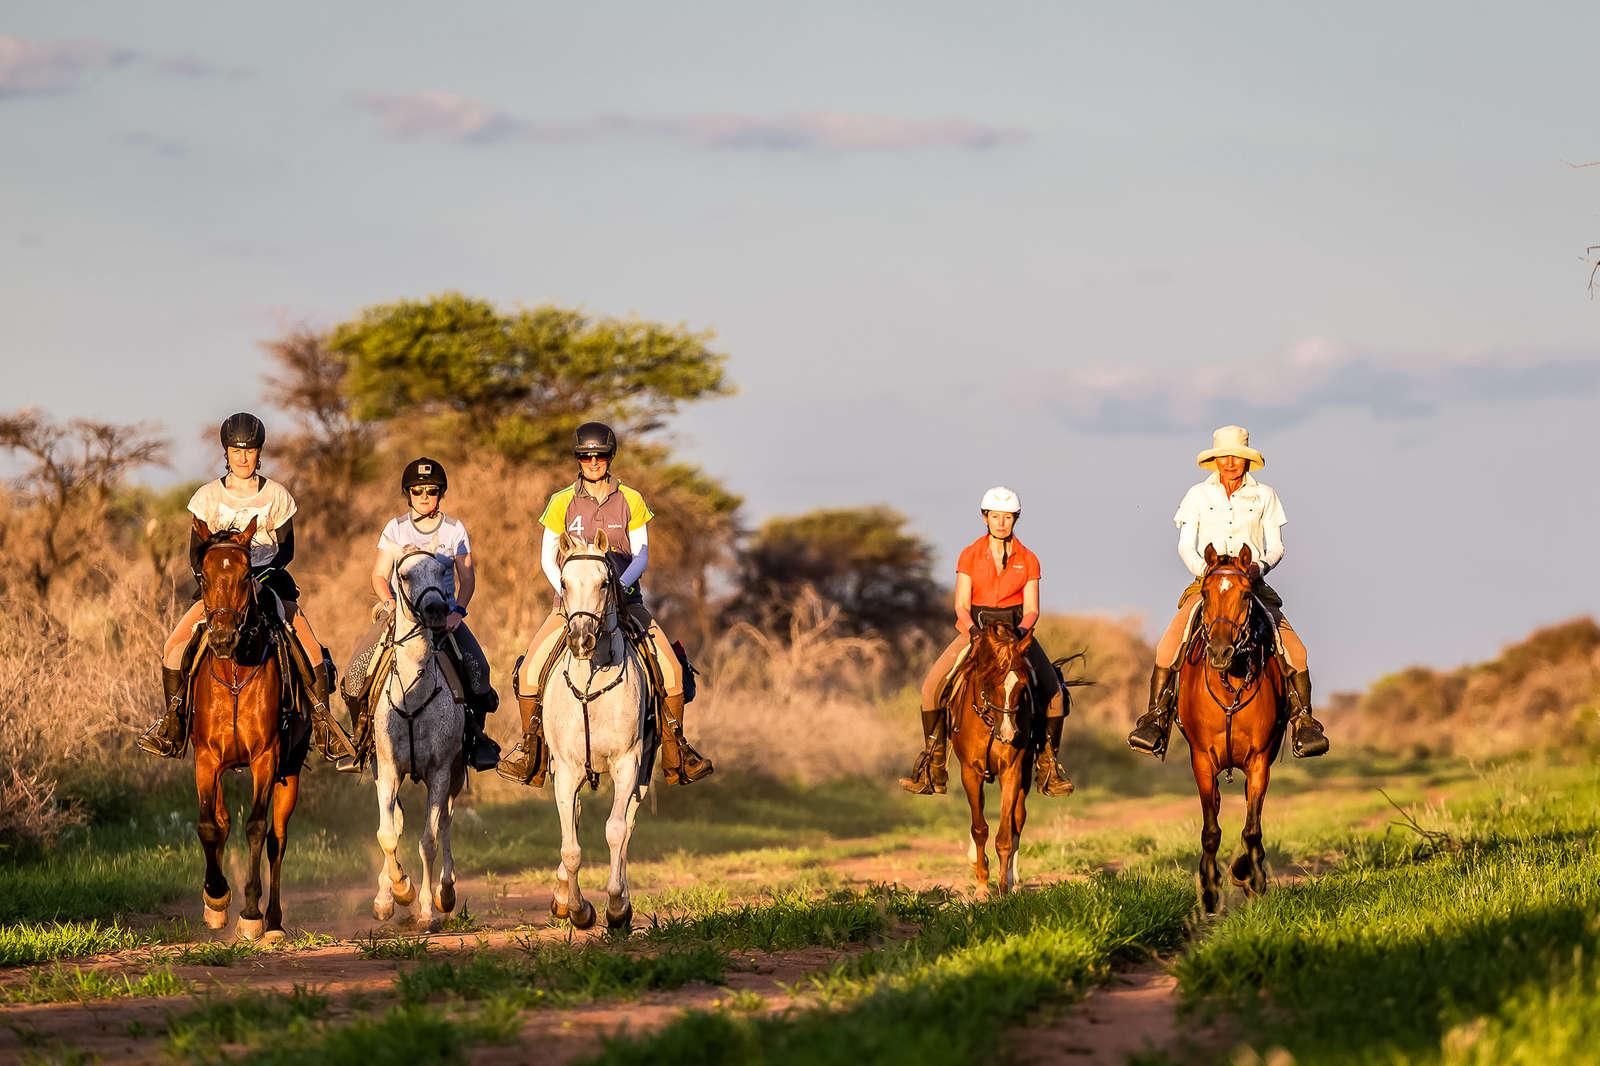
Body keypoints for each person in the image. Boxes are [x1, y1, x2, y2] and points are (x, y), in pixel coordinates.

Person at [497, 422, 714, 788]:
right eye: (585, 455)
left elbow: (641, 555)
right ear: (578, 459)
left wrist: (616, 590)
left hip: (626, 603)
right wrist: (569, 595)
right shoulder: (561, 501)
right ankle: (528, 751)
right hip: (569, 607)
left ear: (610, 457)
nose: (593, 461)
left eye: (599, 455)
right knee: (530, 671)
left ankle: (678, 754)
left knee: (673, 671)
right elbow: (547, 558)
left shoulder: (631, 499)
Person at [136, 412, 358, 766]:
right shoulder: (206, 497)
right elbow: (196, 555)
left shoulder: (276, 496)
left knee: (311, 647)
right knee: (172, 649)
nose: (242, 457)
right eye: (235, 450)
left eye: (249, 450)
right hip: (221, 594)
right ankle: (173, 727)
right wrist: (217, 586)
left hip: (268, 584)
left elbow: (287, 549)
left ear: (259, 453)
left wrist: (260, 575)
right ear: (226, 452)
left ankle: (324, 727)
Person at [1126, 425, 1329, 759]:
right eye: (1224, 457)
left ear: (1247, 460)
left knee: (1296, 650)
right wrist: (1207, 574)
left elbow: (1276, 546)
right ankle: (1156, 718)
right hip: (1208, 582)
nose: (1230, 463)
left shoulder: (1265, 495)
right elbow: (1184, 546)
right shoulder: (1196, 495)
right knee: (1166, 648)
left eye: (1237, 456)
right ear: (1215, 460)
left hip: (1249, 583)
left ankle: (1303, 721)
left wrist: (1257, 569)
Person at [898, 486, 1073, 797]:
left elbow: (1032, 608)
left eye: (1007, 517)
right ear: (985, 518)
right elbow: (961, 604)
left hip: (1015, 635)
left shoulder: (1028, 559)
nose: (1001, 523)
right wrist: (973, 631)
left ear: (1015, 519)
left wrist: (1020, 632)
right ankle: (934, 764)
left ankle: (1048, 765)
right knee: (930, 688)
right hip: (975, 632)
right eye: (995, 517)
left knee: (1055, 692)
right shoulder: (969, 554)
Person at [339, 457, 501, 773]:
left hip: (444, 621)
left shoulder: (455, 529)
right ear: (408, 493)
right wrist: (387, 602)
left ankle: (476, 739)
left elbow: (467, 579)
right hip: (401, 621)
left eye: (431, 491)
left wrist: (458, 612)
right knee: (355, 674)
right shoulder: (395, 528)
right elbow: (378, 574)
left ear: (440, 493)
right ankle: (360, 739)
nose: (424, 497)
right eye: (417, 491)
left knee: (479, 673)